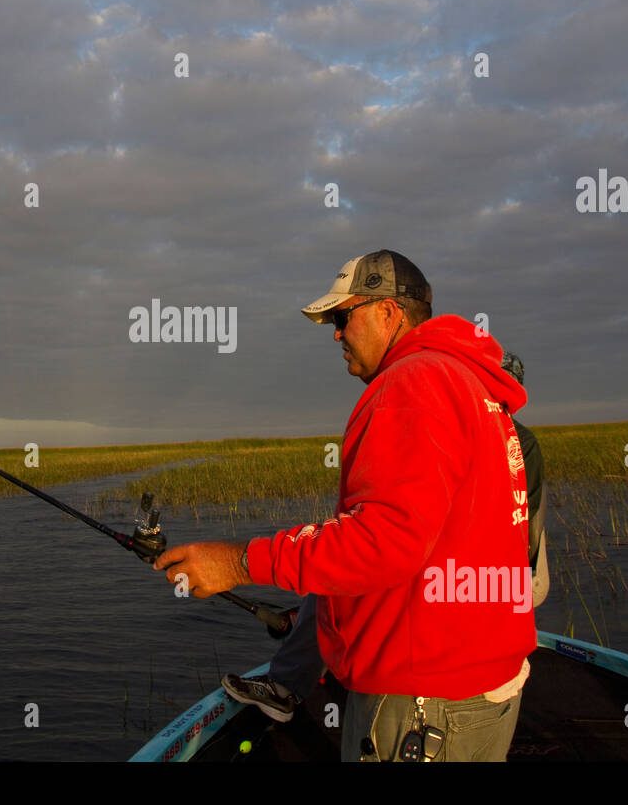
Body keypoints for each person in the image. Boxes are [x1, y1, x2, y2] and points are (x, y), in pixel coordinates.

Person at [154, 250, 538, 761]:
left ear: (388, 312)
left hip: (424, 699)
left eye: (342, 316)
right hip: (487, 684)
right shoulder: (475, 387)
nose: (335, 333)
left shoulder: (412, 382)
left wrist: (236, 562)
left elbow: (382, 542)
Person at [221, 350, 548, 726]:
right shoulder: (514, 435)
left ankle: (286, 686)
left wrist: (243, 561)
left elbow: (391, 538)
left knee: (339, 581)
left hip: (467, 584)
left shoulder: (462, 421)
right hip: (505, 586)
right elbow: (521, 518)